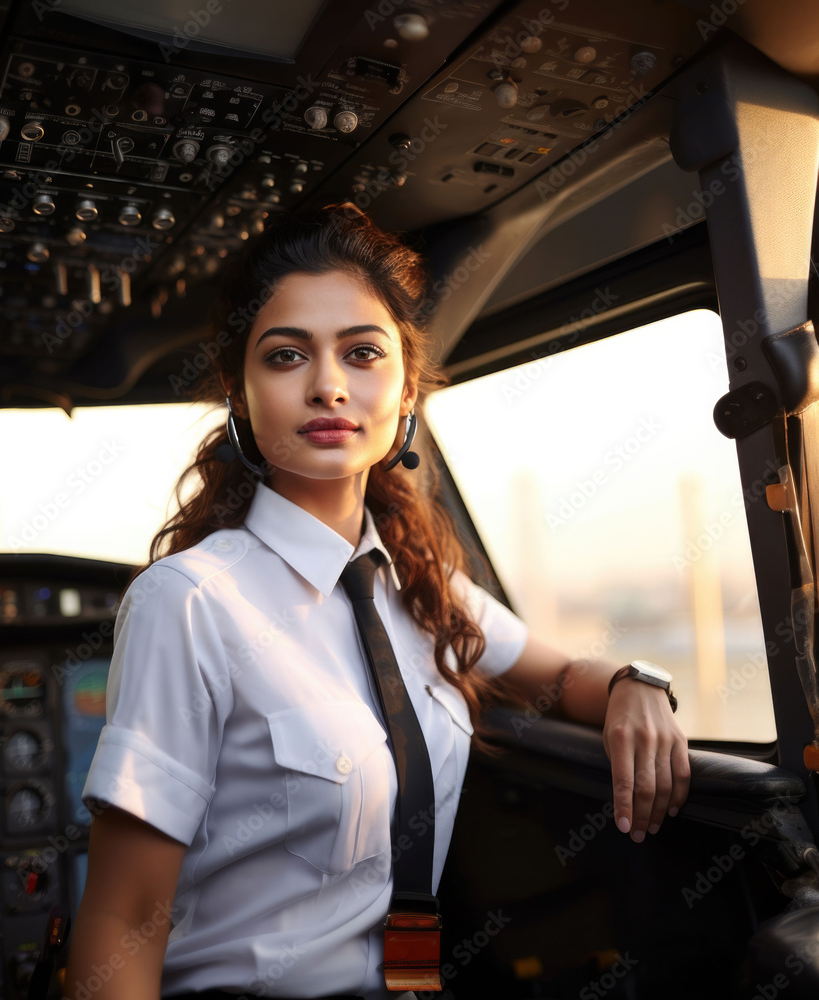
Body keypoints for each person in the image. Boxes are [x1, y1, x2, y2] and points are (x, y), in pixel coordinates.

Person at [65, 203, 689, 1000]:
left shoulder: (420, 587)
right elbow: (123, 917)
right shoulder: (189, 603)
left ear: (404, 392)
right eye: (286, 356)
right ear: (242, 393)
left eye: (362, 353)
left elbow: (559, 674)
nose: (328, 386)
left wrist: (636, 683)